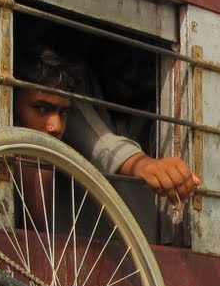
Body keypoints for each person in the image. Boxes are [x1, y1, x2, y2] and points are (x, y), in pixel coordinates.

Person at [12, 43, 201, 203]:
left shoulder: (154, 113)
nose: (57, 126)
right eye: (42, 109)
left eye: (148, 65)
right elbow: (97, 139)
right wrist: (142, 164)